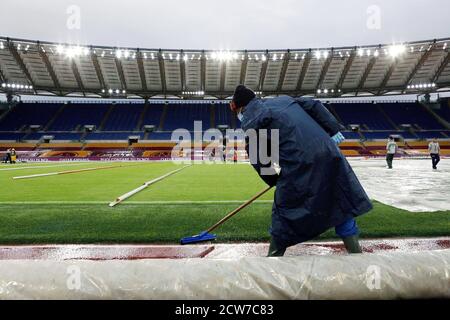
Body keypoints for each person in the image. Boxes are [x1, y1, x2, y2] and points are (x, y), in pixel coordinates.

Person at [230, 85, 372, 256]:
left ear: (240, 108)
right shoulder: (284, 100)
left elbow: (259, 159)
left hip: (300, 163)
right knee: (339, 199)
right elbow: (314, 105)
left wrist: (274, 180)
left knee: (284, 210)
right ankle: (356, 254)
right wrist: (333, 129)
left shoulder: (251, 120)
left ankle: (273, 258)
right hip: (330, 152)